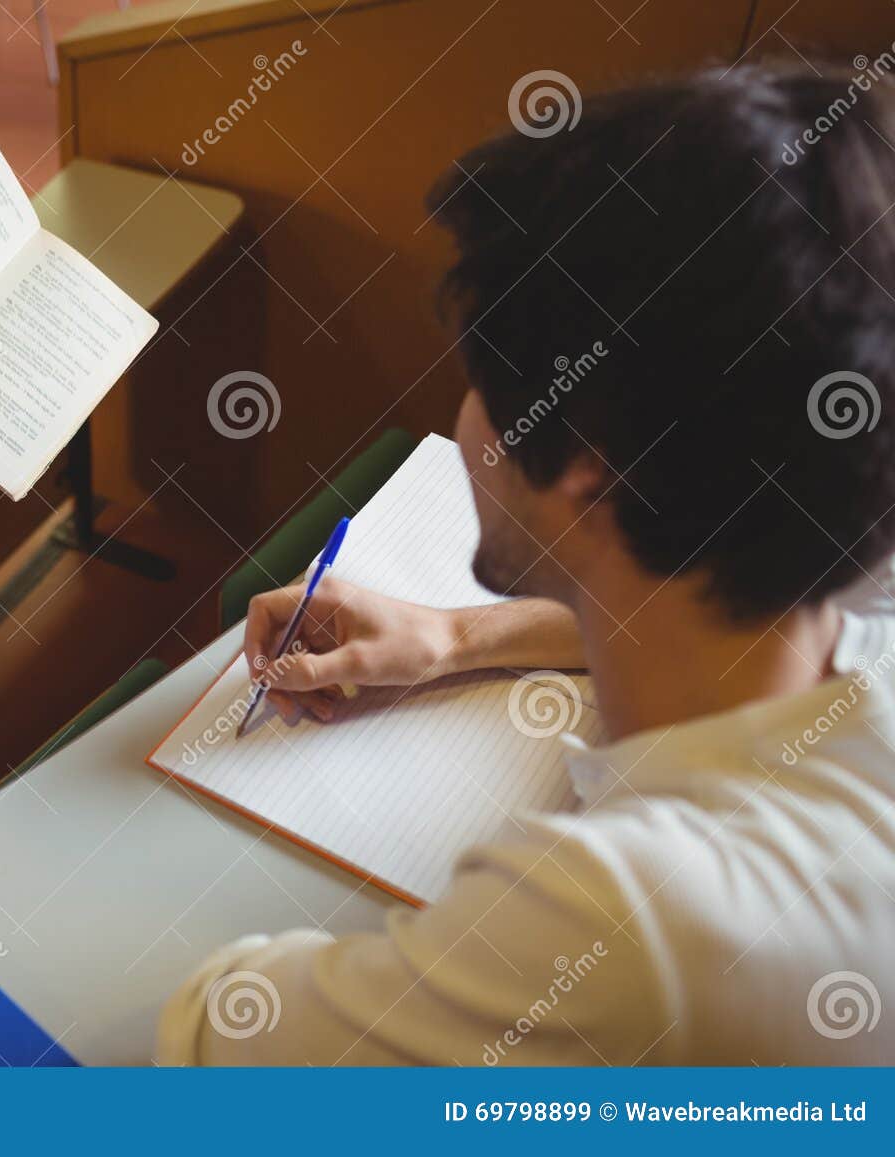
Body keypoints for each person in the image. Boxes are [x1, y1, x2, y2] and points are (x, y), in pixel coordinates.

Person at [158, 64, 895, 1064]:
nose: (462, 426)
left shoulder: (616, 922)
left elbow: (216, 1037)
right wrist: (454, 635)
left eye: (477, 389)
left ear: (583, 472)